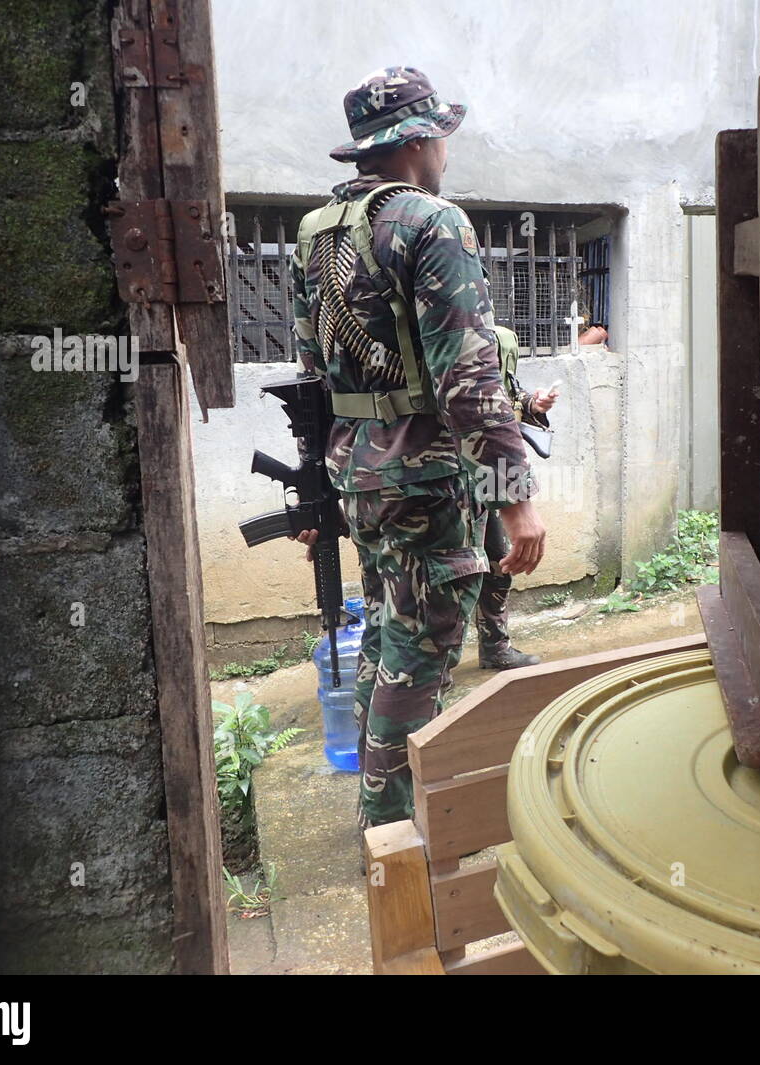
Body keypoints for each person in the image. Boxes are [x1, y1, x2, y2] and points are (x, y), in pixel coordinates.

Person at [288, 66, 546, 832]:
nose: (445, 152)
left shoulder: (316, 232)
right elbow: (470, 381)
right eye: (442, 137)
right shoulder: (433, 222)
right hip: (426, 477)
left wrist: (316, 491)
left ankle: (375, 803)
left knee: (389, 638)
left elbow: (309, 379)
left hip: (359, 473)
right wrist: (517, 497)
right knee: (422, 652)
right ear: (422, 140)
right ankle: (392, 831)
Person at [477, 380, 557, 669]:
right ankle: (435, 662)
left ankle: (495, 646)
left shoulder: (496, 337)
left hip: (486, 473)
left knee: (497, 563)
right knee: (449, 573)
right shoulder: (449, 334)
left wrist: (530, 404)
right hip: (442, 471)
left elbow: (500, 391)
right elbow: (469, 396)